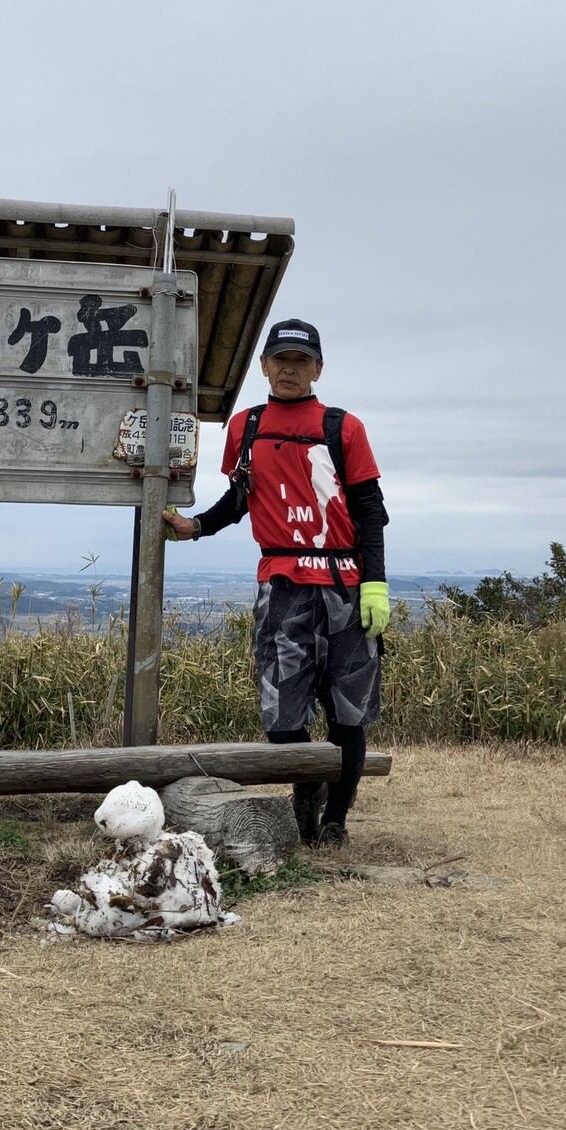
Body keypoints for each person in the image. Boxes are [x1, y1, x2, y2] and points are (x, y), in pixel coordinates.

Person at [162, 318, 390, 847]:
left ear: (318, 369)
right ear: (264, 366)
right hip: (282, 583)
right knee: (282, 714)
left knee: (348, 711)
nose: (290, 369)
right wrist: (196, 527)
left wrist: (375, 584)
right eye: (280, 359)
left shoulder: (343, 427)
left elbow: (370, 511)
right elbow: (242, 498)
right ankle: (306, 796)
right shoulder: (245, 427)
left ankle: (335, 821)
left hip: (345, 582)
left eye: (301, 361)